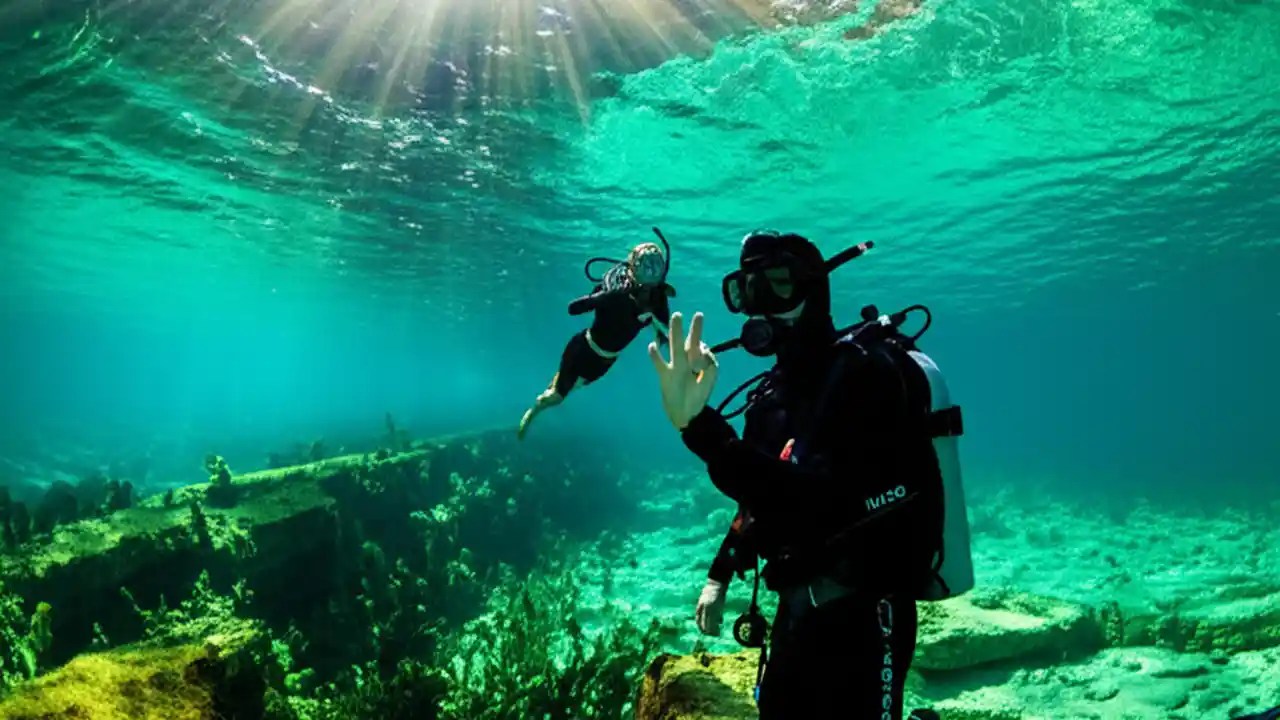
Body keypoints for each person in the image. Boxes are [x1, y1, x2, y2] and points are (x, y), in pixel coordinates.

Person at [649, 230, 971, 720]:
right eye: (747, 290)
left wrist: (700, 430)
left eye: (778, 285)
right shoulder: (769, 401)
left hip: (869, 615)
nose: (761, 308)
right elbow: (758, 501)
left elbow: (817, 504)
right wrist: (719, 574)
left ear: (814, 289)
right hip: (796, 611)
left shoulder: (868, 376)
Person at [518, 240, 674, 440]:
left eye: (656, 266)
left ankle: (554, 389)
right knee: (555, 397)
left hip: (604, 363)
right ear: (633, 268)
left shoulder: (659, 300)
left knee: (562, 390)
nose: (651, 272)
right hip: (582, 349)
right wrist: (607, 297)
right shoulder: (614, 289)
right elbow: (574, 308)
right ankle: (533, 411)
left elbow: (665, 336)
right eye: (646, 265)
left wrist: (681, 362)